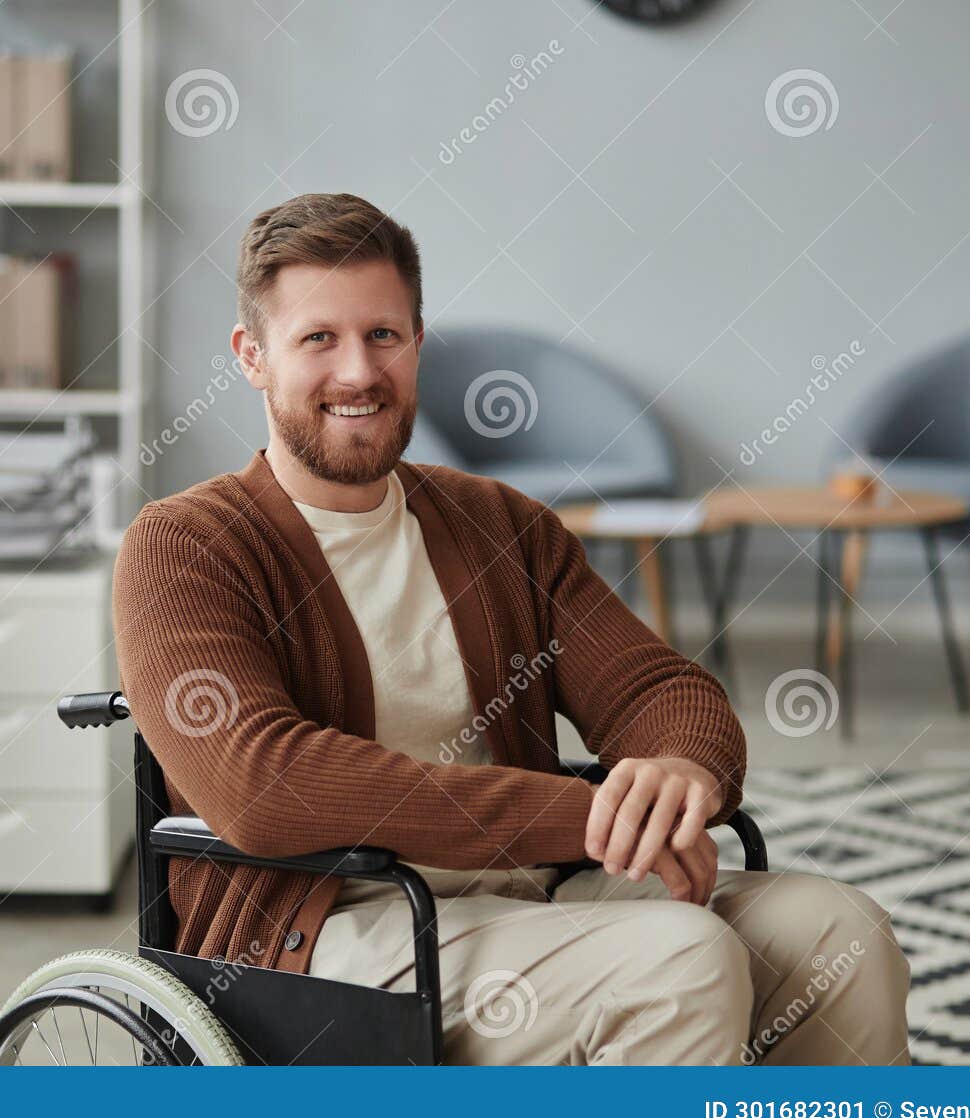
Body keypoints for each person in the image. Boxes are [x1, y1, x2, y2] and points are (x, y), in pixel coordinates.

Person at [112, 192, 911, 1065]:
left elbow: (657, 686)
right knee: (682, 964)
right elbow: (263, 786)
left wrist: (683, 771)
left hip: (540, 894)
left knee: (845, 933)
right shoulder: (184, 545)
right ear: (252, 358)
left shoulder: (497, 524)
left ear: (418, 344)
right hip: (327, 929)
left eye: (383, 335)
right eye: (318, 339)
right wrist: (585, 816)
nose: (357, 372)